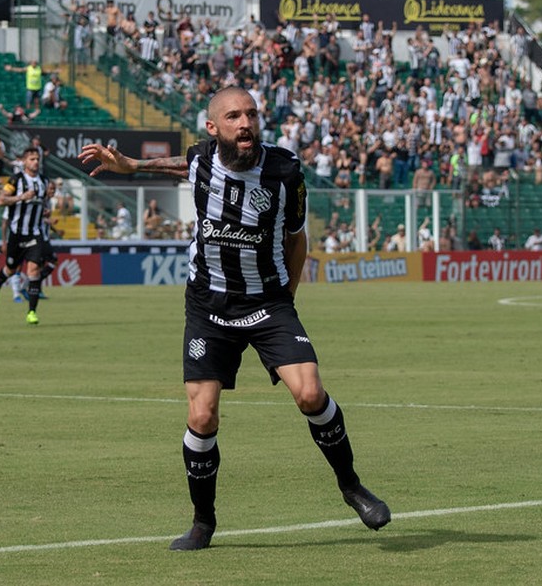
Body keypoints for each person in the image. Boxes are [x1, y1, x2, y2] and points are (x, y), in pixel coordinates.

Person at [77, 88, 389, 551]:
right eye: (234, 116)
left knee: (310, 393)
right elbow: (180, 165)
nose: (245, 123)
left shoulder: (285, 171)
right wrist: (134, 165)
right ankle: (203, 522)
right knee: (201, 415)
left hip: (269, 302)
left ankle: (351, 486)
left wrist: (286, 300)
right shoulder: (202, 160)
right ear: (213, 127)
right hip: (209, 306)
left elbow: (297, 240)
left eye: (251, 115)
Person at [0, 147, 51, 325]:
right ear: (24, 162)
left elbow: (42, 203)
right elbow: (1, 200)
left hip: (35, 233)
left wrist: (44, 212)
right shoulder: (15, 180)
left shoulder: (44, 181)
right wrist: (21, 197)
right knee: (11, 269)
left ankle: (32, 312)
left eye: (37, 159)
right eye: (32, 159)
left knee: (34, 271)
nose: (35, 162)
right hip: (17, 234)